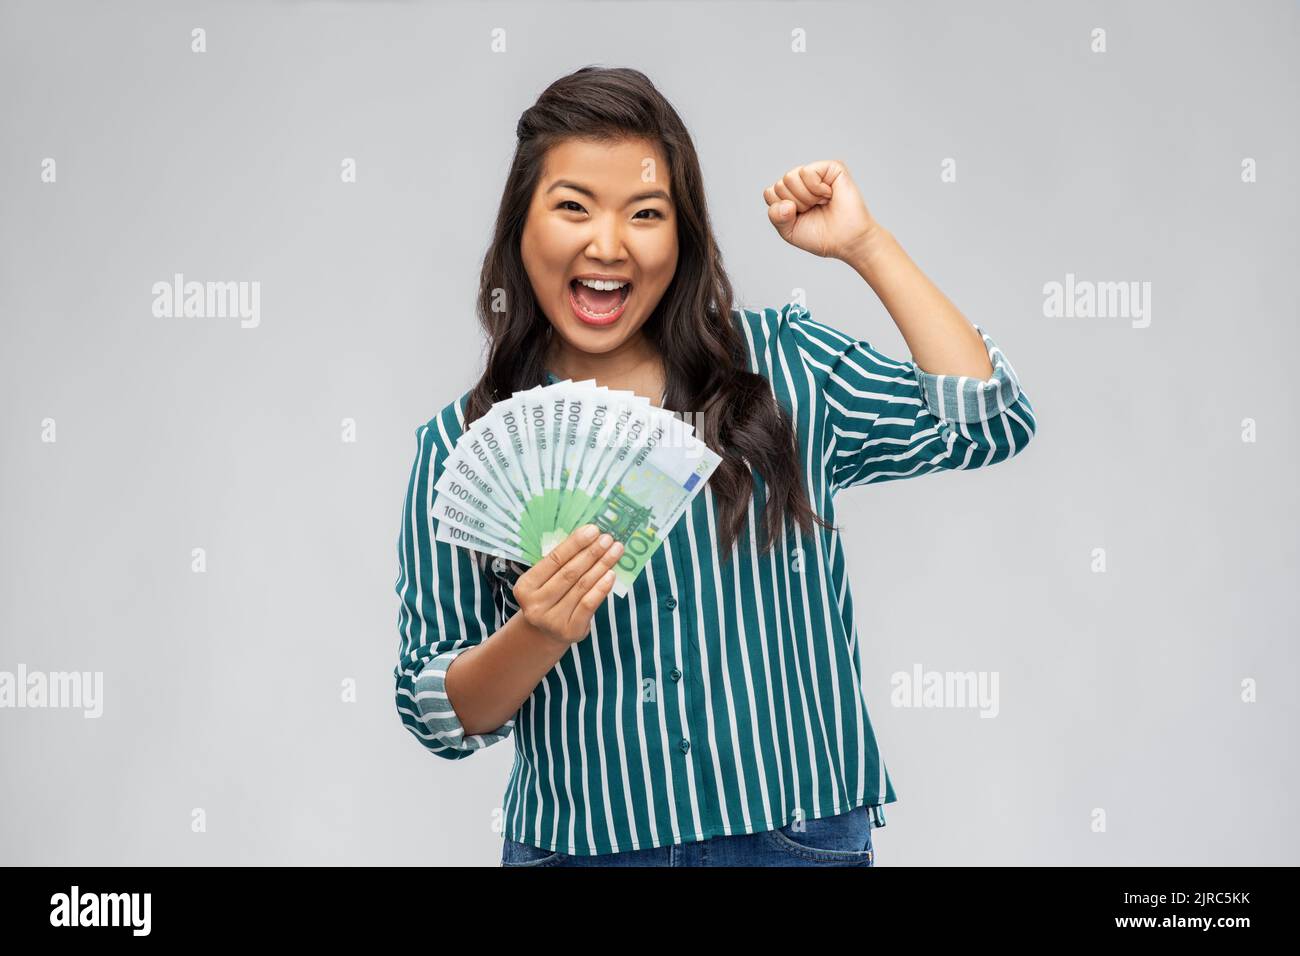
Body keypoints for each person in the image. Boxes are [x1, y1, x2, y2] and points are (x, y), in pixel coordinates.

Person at [393, 66, 1036, 867]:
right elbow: (438, 714)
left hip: (794, 839)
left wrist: (867, 248)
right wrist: (537, 633)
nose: (607, 244)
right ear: (520, 228)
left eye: (646, 214)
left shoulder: (783, 367)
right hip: (585, 848)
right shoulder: (462, 446)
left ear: (683, 235)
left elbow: (989, 421)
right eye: (572, 207)